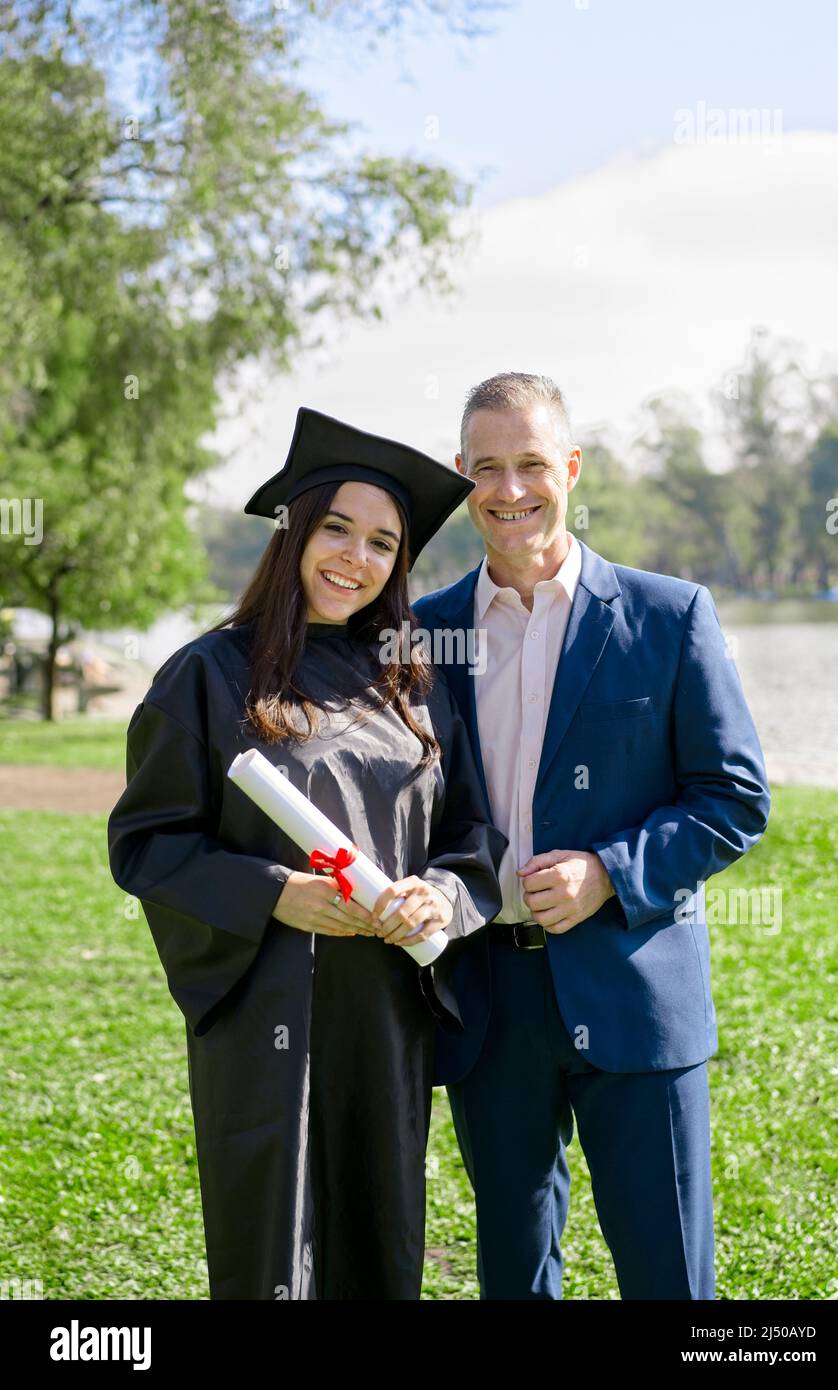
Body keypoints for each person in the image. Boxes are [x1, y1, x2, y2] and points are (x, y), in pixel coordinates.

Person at [106, 407, 506, 1301]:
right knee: (273, 1246)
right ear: (294, 530)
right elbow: (146, 844)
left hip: (384, 1012)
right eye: (336, 528)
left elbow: (472, 836)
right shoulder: (208, 675)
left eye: (380, 543)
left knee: (379, 1230)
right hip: (268, 1009)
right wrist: (274, 893)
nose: (354, 558)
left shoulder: (411, 685)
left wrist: (441, 894)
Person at [411, 372, 772, 1300]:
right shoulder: (425, 633)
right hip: (492, 1006)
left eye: (532, 463)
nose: (510, 490)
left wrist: (611, 873)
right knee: (515, 1276)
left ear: (570, 467)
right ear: (462, 478)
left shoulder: (669, 615)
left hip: (637, 995)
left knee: (670, 1279)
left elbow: (733, 796)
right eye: (486, 468)